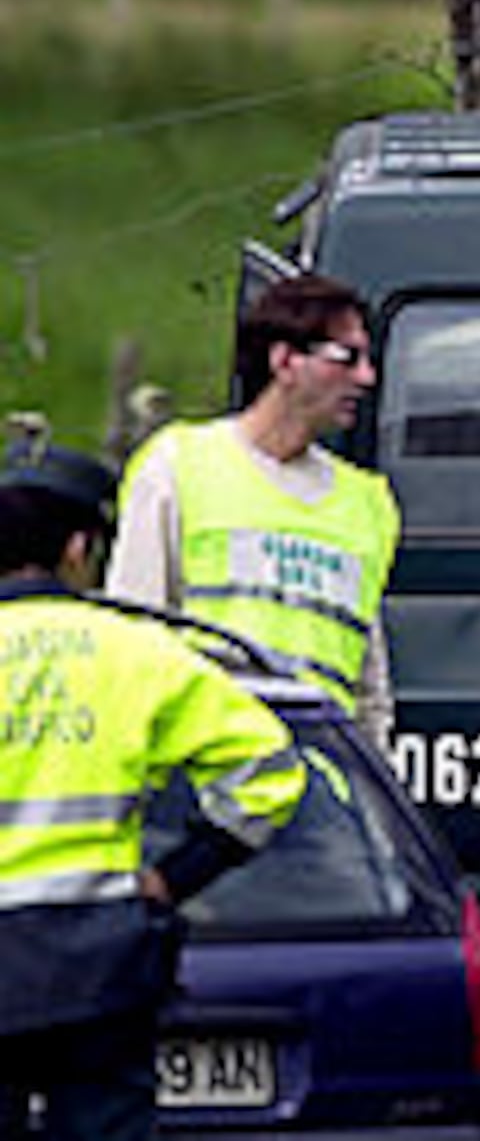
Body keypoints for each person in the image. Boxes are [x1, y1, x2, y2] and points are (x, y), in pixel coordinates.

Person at [0, 437, 307, 1140]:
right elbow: (269, 772)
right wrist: (176, 876)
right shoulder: (139, 653)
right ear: (78, 548)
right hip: (98, 968)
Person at [107, 275, 401, 745]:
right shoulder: (180, 464)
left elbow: (369, 687)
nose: (367, 378)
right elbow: (135, 639)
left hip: (317, 775)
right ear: (284, 361)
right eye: (347, 357)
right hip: (208, 769)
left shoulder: (367, 503)